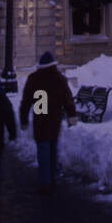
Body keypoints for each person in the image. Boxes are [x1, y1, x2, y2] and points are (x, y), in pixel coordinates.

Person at [19, 52, 77, 194]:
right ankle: (53, 177)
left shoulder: (34, 79)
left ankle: (45, 181)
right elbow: (68, 98)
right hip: (54, 118)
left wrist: (24, 119)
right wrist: (72, 115)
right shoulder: (59, 79)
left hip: (40, 118)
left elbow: (26, 100)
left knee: (43, 150)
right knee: (53, 147)